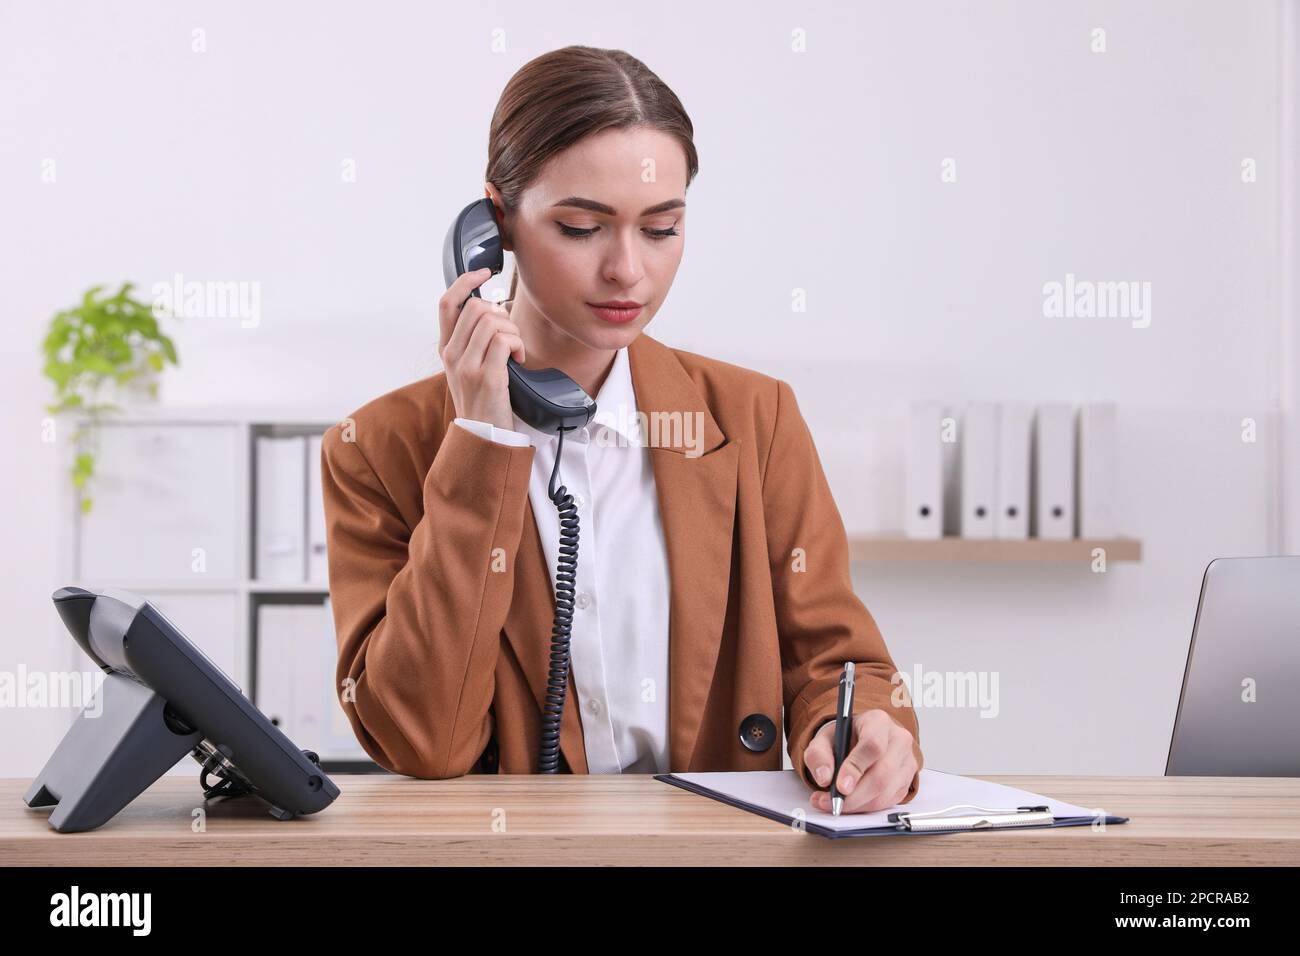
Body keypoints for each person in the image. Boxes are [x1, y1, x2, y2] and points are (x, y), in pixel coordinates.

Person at [320, 45, 923, 813]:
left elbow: (836, 661)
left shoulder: (755, 417)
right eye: (581, 227)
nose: (627, 271)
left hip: (716, 852)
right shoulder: (376, 449)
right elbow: (421, 740)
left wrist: (864, 727)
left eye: (661, 228)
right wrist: (481, 443)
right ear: (495, 225)